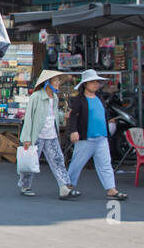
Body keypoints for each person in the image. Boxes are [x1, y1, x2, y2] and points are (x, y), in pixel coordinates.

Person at [65, 69, 128, 202]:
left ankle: (111, 189)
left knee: (105, 164)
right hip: (87, 137)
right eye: (92, 82)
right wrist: (73, 131)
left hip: (101, 137)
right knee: (77, 163)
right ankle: (68, 186)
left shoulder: (99, 98)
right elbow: (73, 116)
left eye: (96, 82)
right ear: (85, 84)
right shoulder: (79, 100)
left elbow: (101, 115)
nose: (95, 84)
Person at [17, 69, 74, 199]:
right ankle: (25, 186)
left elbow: (53, 115)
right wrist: (26, 138)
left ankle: (64, 187)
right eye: (55, 80)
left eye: (58, 80)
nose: (58, 83)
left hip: (51, 135)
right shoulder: (36, 97)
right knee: (30, 162)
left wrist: (63, 116)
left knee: (58, 160)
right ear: (47, 82)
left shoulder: (54, 97)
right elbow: (29, 118)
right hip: (37, 135)